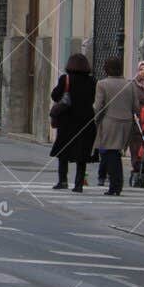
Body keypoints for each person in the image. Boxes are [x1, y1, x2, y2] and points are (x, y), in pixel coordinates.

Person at [48, 52, 97, 191]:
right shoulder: (92, 81)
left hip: (67, 121)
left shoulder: (66, 79)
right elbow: (94, 99)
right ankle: (78, 184)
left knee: (63, 151)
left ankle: (62, 181)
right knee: (82, 154)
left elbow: (55, 95)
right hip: (86, 120)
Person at [93, 57, 138, 195]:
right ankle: (116, 184)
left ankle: (115, 186)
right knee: (115, 153)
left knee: (110, 153)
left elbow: (98, 106)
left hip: (109, 122)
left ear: (106, 69)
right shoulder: (130, 84)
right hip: (126, 123)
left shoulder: (102, 84)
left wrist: (95, 119)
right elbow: (136, 107)